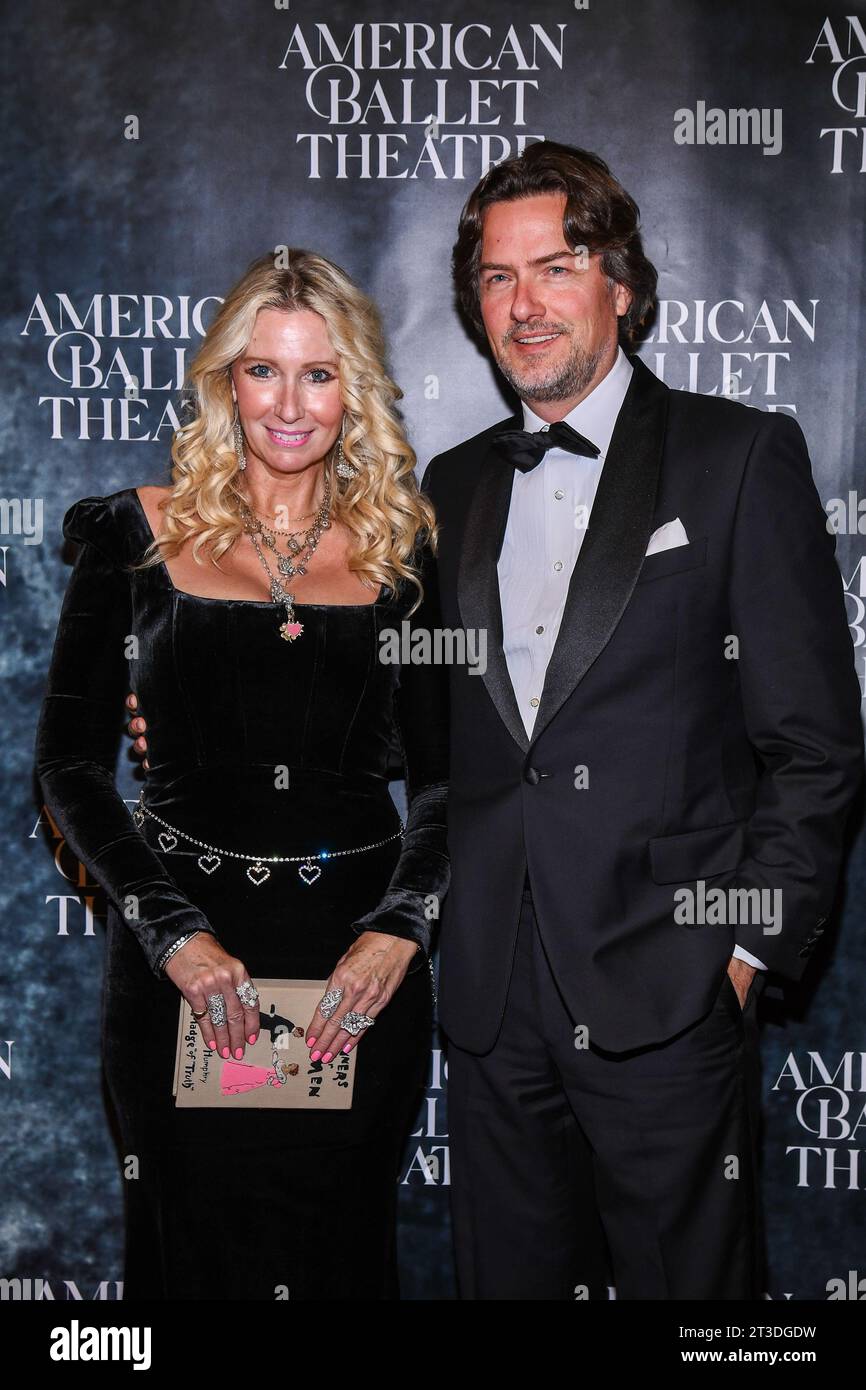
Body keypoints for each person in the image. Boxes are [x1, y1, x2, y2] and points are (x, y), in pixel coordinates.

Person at [420, 140, 863, 1299]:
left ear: (618, 281)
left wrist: (742, 951)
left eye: (555, 266)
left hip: (667, 984)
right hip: (489, 998)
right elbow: (411, 726)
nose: (523, 303)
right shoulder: (451, 487)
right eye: (497, 277)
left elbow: (812, 745)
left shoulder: (735, 456)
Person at [35, 248, 450, 1301]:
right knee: (186, 1260)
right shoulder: (136, 536)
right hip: (182, 968)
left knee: (339, 1258)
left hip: (352, 975)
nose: (289, 404)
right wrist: (174, 932)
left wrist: (400, 925)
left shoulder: (402, 559)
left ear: (352, 390)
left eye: (318, 374)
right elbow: (69, 769)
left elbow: (450, 779)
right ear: (226, 381)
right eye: (263, 370)